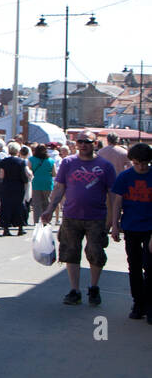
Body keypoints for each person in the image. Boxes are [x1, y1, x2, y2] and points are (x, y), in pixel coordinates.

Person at [43, 131, 117, 305]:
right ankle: (74, 290)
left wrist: (114, 219)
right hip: (71, 216)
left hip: (97, 217)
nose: (83, 145)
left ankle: (93, 287)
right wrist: (49, 209)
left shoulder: (105, 166)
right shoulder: (68, 163)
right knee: (70, 253)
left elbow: (113, 194)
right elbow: (60, 188)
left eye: (87, 141)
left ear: (95, 144)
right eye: (80, 141)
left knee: (96, 253)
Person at [110, 142, 152, 321]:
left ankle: (150, 306)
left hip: (150, 228)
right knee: (134, 267)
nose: (141, 167)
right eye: (137, 163)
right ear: (132, 161)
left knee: (149, 267)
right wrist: (114, 224)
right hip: (131, 226)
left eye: (145, 163)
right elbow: (118, 201)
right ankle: (138, 303)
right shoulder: (125, 177)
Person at [0, 141, 31, 236]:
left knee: (6, 206)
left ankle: (6, 228)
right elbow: (23, 175)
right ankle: (20, 228)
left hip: (7, 185)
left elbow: (1, 175)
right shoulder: (21, 162)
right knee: (19, 206)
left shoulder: (4, 161)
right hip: (18, 186)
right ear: (18, 151)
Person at [28, 143, 55, 225]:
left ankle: (37, 221)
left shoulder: (31, 159)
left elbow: (29, 171)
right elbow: (54, 173)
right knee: (47, 202)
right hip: (47, 182)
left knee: (36, 203)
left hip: (36, 182)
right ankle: (47, 220)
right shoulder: (50, 160)